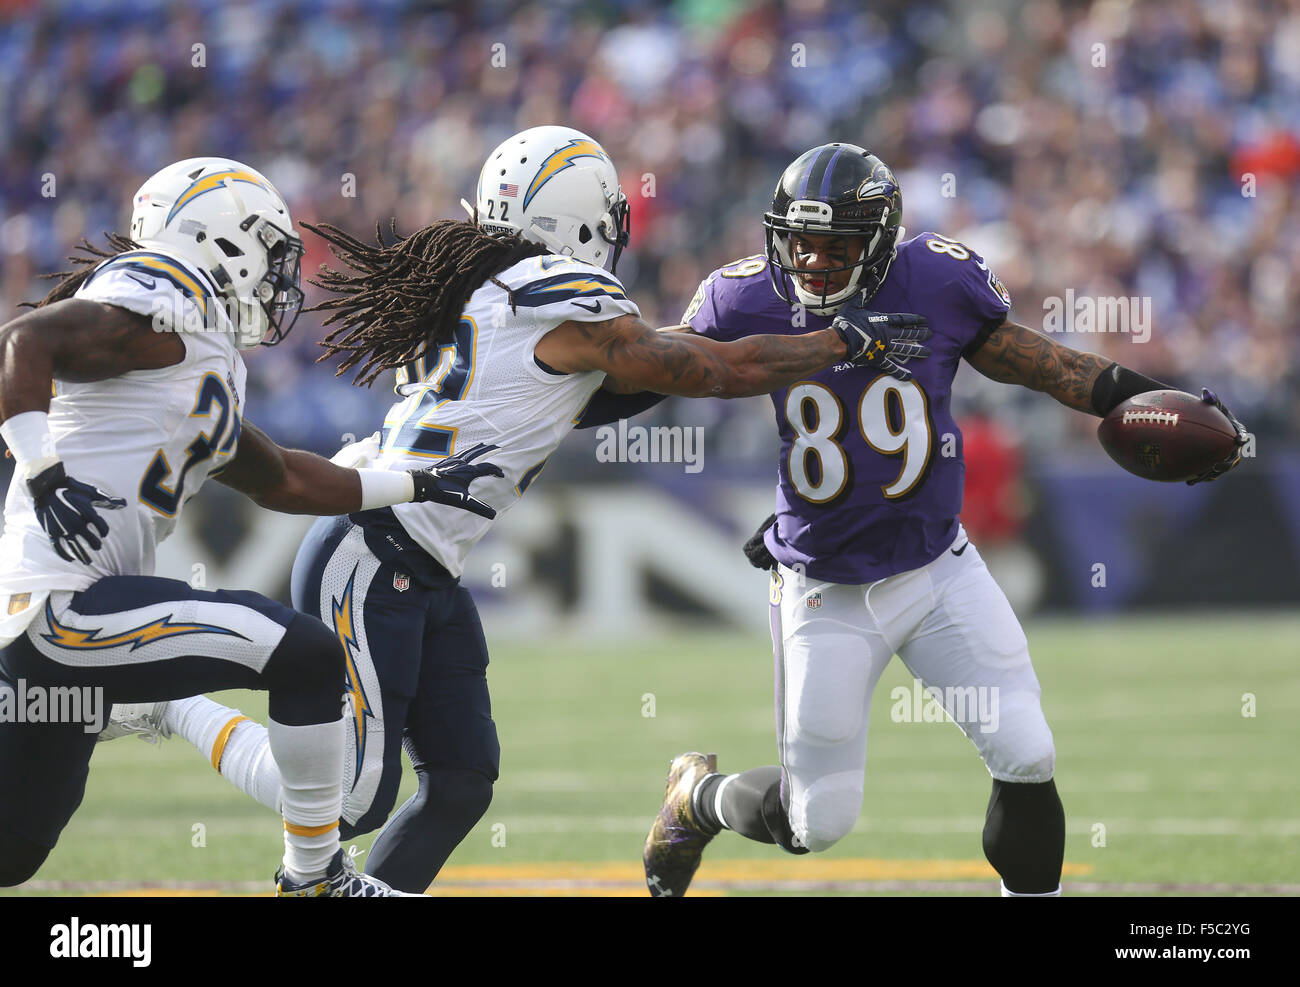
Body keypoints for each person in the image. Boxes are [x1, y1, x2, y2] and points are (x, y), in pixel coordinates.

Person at [99, 127, 930, 893]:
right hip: (378, 549)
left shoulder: (494, 291)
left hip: (425, 561)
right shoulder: (552, 293)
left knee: (462, 777)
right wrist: (840, 340)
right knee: (348, 801)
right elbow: (708, 370)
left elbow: (618, 388)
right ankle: (173, 705)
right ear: (578, 221)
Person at [641, 142, 1248, 897]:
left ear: (882, 238)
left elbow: (1043, 364)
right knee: (816, 821)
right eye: (800, 242)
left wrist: (1155, 403)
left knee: (1027, 750)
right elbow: (659, 369)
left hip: (936, 568)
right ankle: (694, 797)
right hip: (825, 588)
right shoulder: (743, 296)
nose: (813, 263)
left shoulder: (936, 278)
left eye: (834, 246)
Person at [0, 157, 504, 897]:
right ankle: (316, 877)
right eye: (270, 250)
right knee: (305, 654)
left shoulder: (197, 353)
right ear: (216, 236)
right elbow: (22, 342)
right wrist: (42, 468)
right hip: (57, 608)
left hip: (70, 632)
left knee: (13, 853)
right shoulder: (168, 291)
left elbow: (286, 478)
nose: (278, 276)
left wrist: (417, 480)